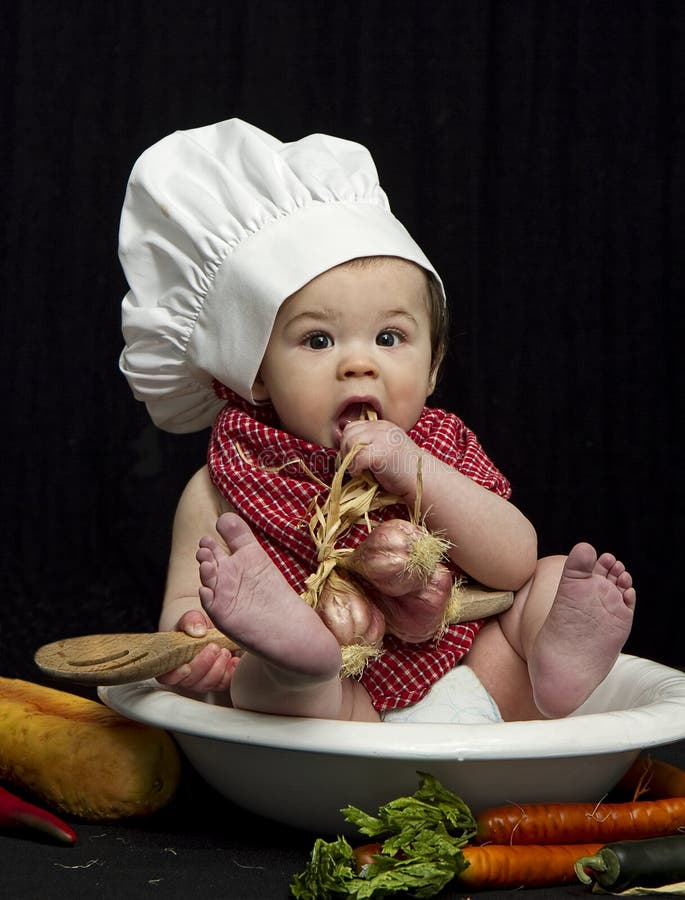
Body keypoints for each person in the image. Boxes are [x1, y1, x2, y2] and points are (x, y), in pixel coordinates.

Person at [119, 119, 635, 724]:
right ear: (252, 375)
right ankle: (296, 657)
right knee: (263, 681)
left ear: (434, 367)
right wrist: (194, 648)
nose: (359, 363)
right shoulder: (223, 484)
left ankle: (559, 666)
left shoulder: (438, 446)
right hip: (347, 710)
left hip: (479, 677)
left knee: (545, 577)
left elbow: (513, 560)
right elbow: (185, 610)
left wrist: (415, 470)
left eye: (390, 337)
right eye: (317, 339)